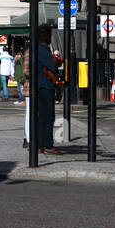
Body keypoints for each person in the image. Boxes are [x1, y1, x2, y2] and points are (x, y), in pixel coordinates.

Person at [34, 25, 63, 154]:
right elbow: (52, 67)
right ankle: (47, 144)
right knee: (48, 116)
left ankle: (40, 144)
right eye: (50, 35)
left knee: (41, 116)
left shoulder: (36, 48)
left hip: (38, 85)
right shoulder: (43, 49)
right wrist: (56, 62)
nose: (51, 37)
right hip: (45, 85)